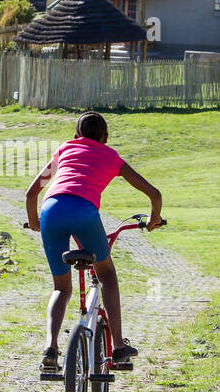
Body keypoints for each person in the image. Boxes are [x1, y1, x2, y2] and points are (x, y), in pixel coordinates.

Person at [25, 111, 162, 376]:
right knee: (107, 273)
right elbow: (154, 194)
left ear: (76, 135)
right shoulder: (110, 156)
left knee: (61, 288)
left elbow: (32, 193)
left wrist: (35, 222)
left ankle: (50, 350)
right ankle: (119, 347)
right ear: (105, 137)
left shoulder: (65, 149)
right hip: (84, 211)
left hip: (50, 210)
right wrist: (154, 218)